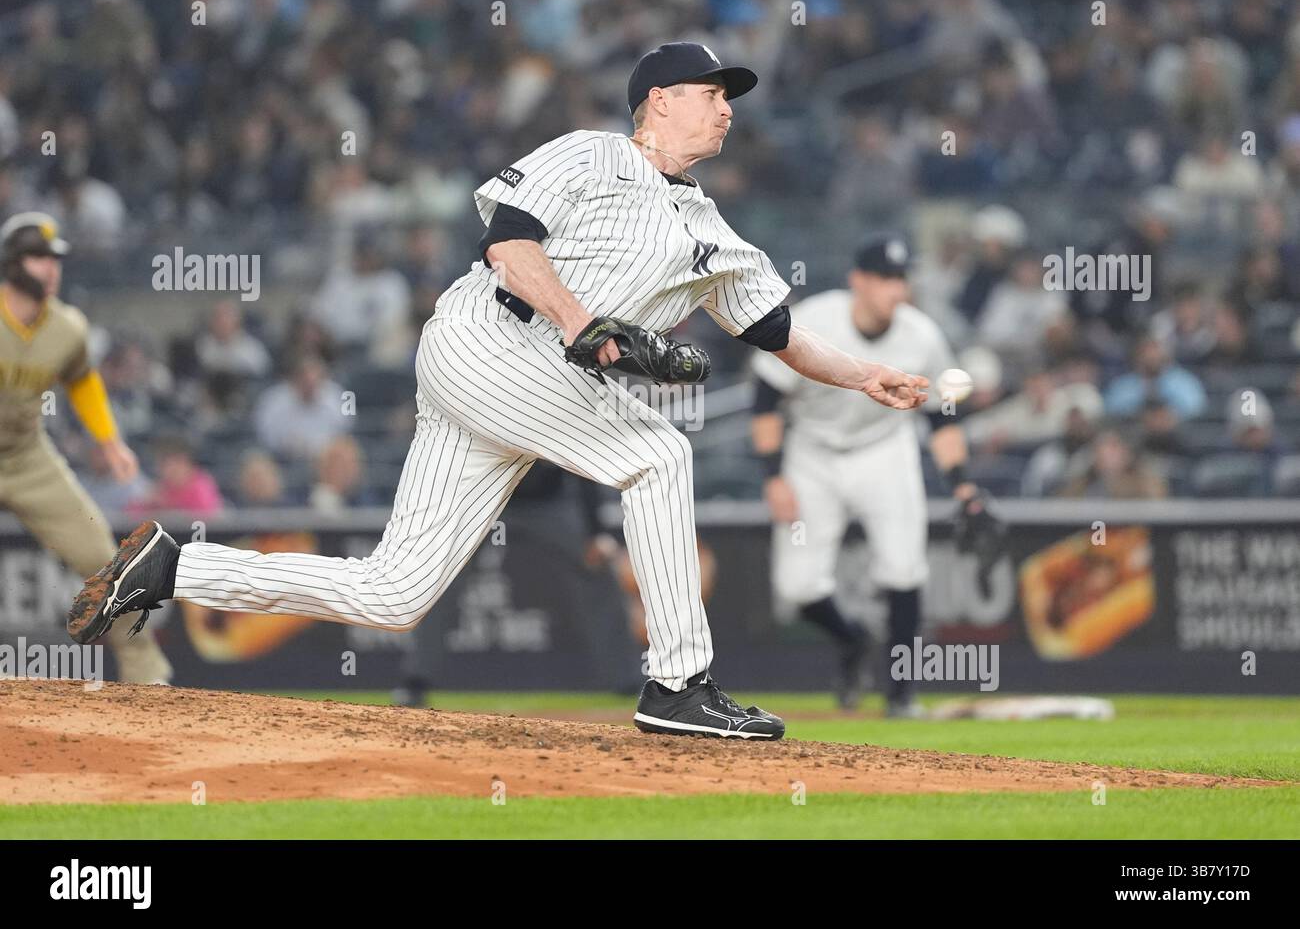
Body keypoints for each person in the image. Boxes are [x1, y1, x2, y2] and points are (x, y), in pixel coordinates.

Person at [68, 43, 927, 740]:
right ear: (658, 100)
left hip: (529, 380)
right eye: (711, 91)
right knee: (660, 454)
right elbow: (509, 248)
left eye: (729, 95)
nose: (727, 106)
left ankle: (173, 565)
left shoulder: (715, 230)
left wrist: (865, 373)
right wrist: (584, 324)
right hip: (488, 339)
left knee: (395, 593)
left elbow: (782, 335)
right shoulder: (593, 154)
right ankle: (677, 685)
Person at [751, 235, 977, 718]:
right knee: (797, 588)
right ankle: (851, 641)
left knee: (903, 568)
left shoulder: (922, 335)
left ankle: (900, 694)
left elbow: (941, 417)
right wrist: (773, 477)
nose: (896, 289)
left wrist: (962, 485)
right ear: (858, 281)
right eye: (884, 278)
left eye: (901, 278)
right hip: (811, 453)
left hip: (885, 450)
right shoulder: (816, 319)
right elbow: (765, 398)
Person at [0, 212, 169, 683]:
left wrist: (110, 442)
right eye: (38, 258)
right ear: (12, 262)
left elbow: (83, 381)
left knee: (104, 562)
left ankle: (146, 674)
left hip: (28, 458)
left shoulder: (67, 328)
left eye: (55, 259)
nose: (51, 268)